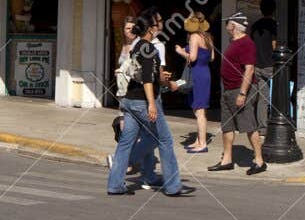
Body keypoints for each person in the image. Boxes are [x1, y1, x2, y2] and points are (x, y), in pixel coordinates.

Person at [106, 15, 189, 197]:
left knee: (129, 141)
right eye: (157, 25)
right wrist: (151, 104)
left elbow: (150, 74)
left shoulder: (137, 46)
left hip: (130, 100)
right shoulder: (150, 48)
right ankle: (173, 186)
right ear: (150, 29)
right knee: (164, 140)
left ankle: (115, 185)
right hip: (143, 101)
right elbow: (147, 79)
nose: (159, 27)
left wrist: (168, 83)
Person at [210, 12, 267, 175]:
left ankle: (259, 161)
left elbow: (249, 69)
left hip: (239, 90)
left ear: (233, 25)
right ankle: (227, 160)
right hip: (228, 89)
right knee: (227, 126)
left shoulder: (246, 43)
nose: (226, 25)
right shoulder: (234, 41)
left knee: (249, 125)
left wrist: (242, 94)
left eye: (228, 22)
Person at [174, 11, 215, 154]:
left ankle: (202, 144)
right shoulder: (208, 37)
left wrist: (181, 51)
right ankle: (198, 140)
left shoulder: (194, 37)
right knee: (198, 108)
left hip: (197, 74)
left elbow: (192, 57)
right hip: (205, 73)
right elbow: (212, 58)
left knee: (199, 111)